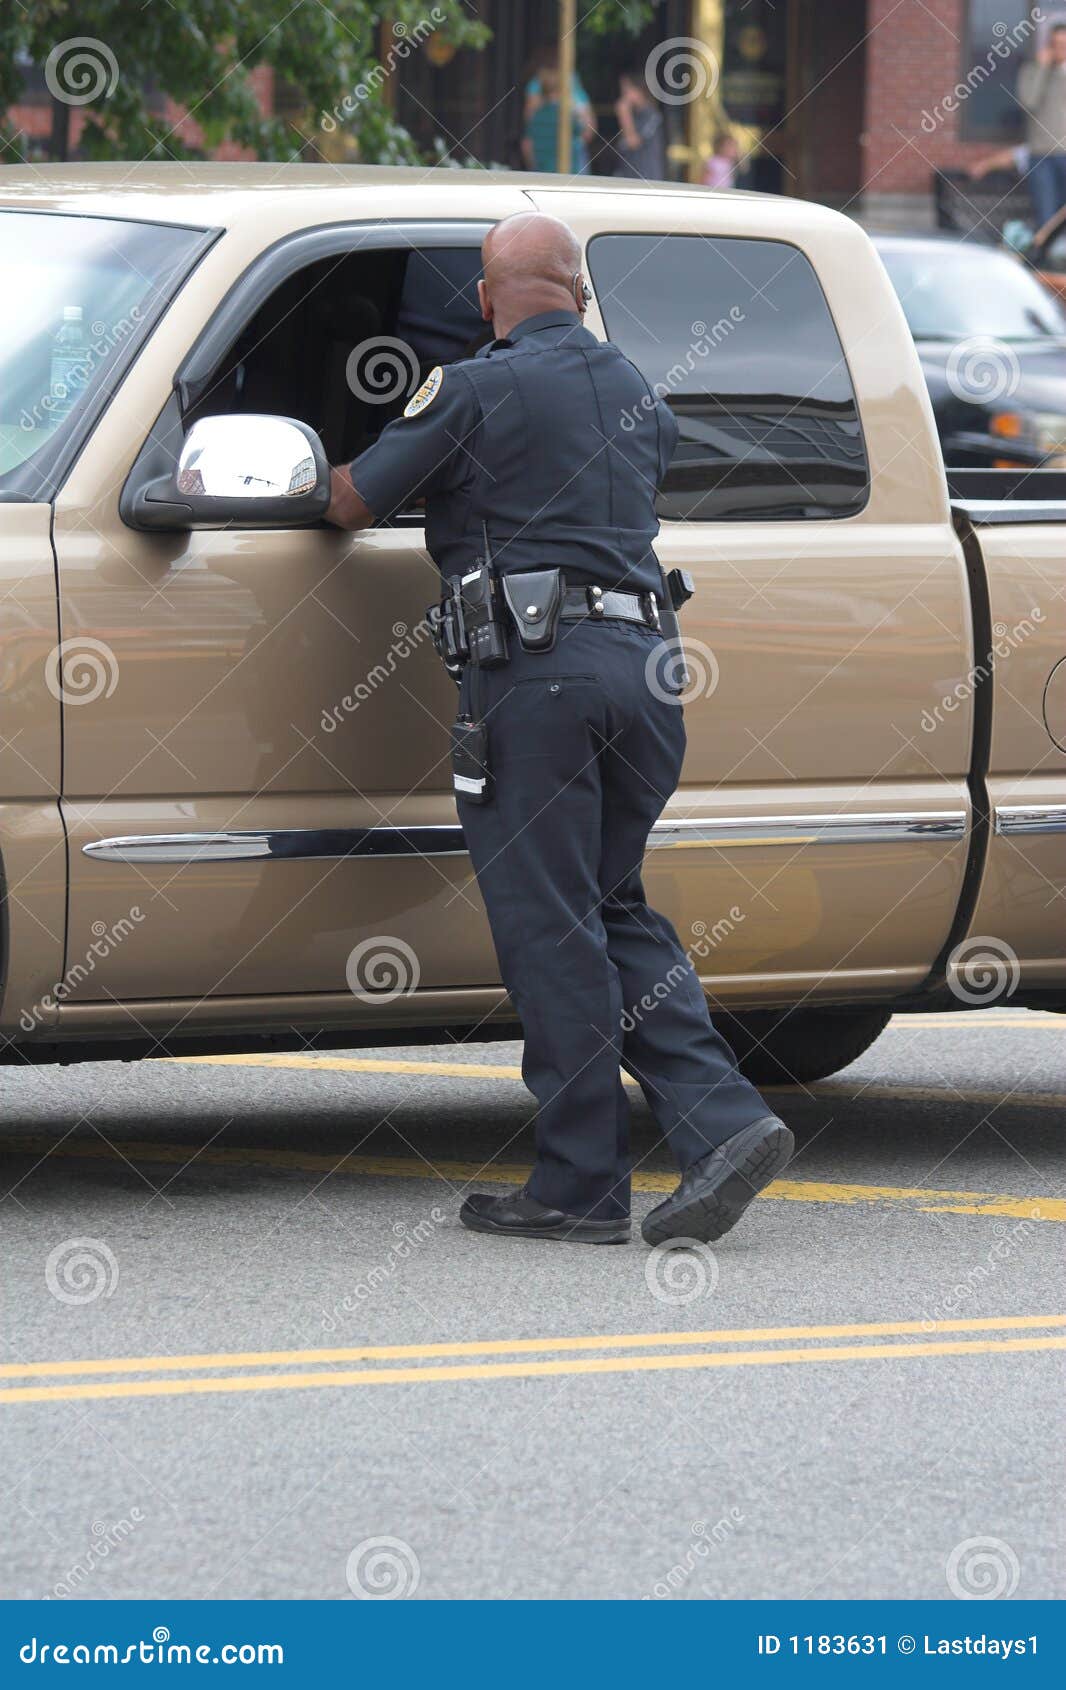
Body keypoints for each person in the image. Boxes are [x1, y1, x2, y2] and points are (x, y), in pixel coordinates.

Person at [325, 213, 793, 1247]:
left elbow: (356, 503)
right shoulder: (634, 390)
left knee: (550, 926)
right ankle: (725, 1123)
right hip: (647, 674)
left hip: (536, 685)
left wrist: (305, 470)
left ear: (488, 300)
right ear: (577, 296)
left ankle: (579, 1183)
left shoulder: (476, 386)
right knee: (608, 904)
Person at [1017, 24, 1066, 229]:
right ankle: (1048, 261)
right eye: (1055, 44)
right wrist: (1042, 69)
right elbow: (1029, 101)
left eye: (1064, 44)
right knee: (1046, 220)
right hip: (1042, 156)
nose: (1060, 49)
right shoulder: (1031, 70)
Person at [523, 64, 586, 175]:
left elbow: (527, 145)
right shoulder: (567, 116)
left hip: (543, 172)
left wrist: (534, 167)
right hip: (569, 173)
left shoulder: (536, 115)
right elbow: (585, 132)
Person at [611, 70, 666, 181]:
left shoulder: (652, 116)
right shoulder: (633, 115)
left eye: (627, 91)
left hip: (646, 179)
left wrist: (624, 115)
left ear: (639, 91)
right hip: (627, 177)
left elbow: (633, 142)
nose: (624, 96)